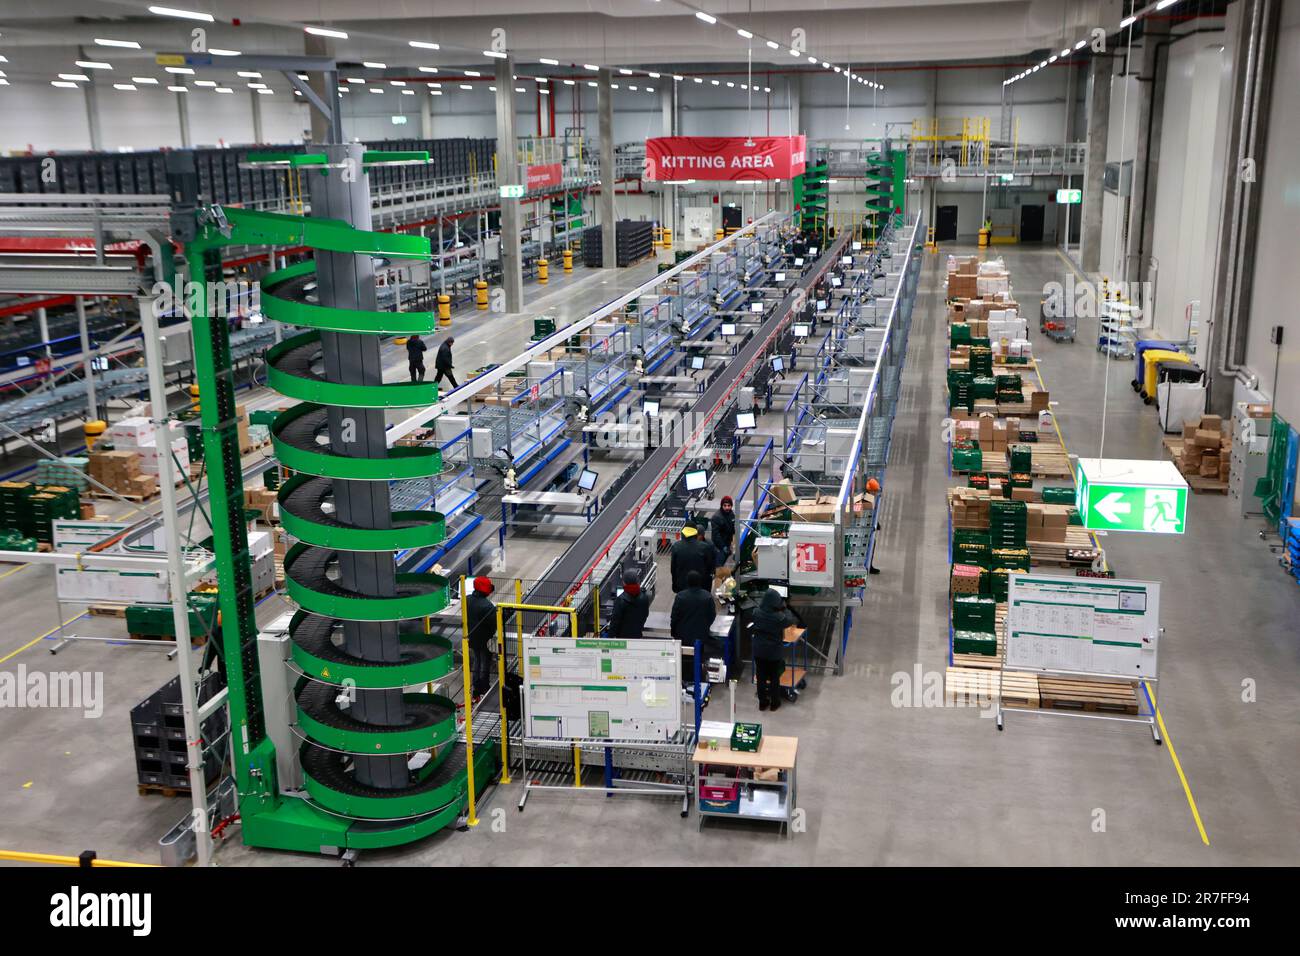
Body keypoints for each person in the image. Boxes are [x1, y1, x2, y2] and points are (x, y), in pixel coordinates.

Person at [751, 587, 797, 712]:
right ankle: (774, 703)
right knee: (774, 678)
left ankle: (762, 702)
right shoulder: (778, 618)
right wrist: (784, 607)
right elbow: (789, 620)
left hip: (759, 650)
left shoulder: (756, 612)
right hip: (773, 652)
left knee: (760, 677)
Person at [671, 570, 718, 684]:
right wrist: (705, 626)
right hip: (700, 635)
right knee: (698, 658)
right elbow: (712, 615)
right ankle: (696, 679)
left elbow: (674, 616)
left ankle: (684, 679)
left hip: (683, 635)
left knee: (684, 658)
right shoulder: (706, 597)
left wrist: (674, 631)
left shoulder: (680, 596)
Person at [465, 576, 497, 700]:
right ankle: (484, 687)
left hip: (471, 638)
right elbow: (494, 623)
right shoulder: (487, 606)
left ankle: (476, 689)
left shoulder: (467, 600)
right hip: (485, 639)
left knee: (477, 661)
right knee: (485, 662)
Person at [670, 523, 715, 593]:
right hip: (700, 587)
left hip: (682, 586)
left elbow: (673, 569)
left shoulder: (676, 547)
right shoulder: (705, 547)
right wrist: (707, 589)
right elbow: (709, 569)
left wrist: (675, 585)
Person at [608, 568, 651, 639]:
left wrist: (610, 637)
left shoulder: (620, 600)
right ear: (637, 581)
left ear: (624, 583)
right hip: (637, 636)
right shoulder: (644, 597)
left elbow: (615, 622)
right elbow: (645, 615)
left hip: (622, 640)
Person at [710, 495, 736, 569]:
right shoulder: (716, 517)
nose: (727, 507)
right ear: (721, 506)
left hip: (727, 543)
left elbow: (732, 528)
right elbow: (716, 536)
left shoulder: (731, 514)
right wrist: (723, 547)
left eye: (729, 505)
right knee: (718, 566)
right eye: (725, 505)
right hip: (719, 546)